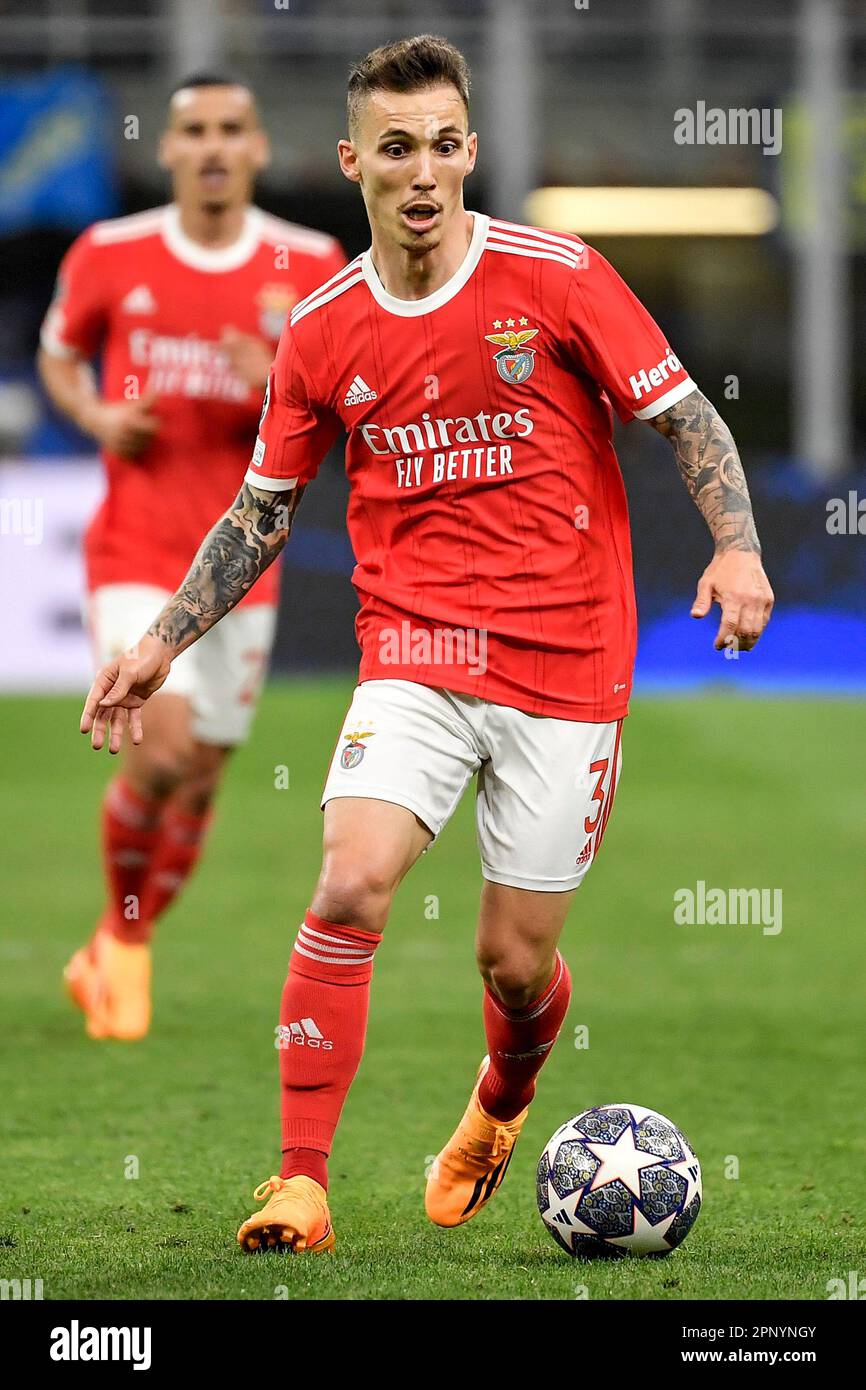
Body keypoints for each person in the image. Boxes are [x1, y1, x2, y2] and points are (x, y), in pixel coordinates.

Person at [80, 35, 773, 1251]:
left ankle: (501, 1101)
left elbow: (682, 416)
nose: (422, 171)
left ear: (468, 152)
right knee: (347, 882)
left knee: (513, 963)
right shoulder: (324, 329)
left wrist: (736, 546)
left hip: (569, 661)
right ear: (352, 160)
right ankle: (300, 1179)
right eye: (395, 148)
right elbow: (261, 511)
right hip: (413, 648)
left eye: (444, 144)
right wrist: (160, 639)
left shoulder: (556, 277)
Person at [41, 74, 345, 1040]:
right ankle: (128, 954)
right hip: (136, 547)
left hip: (244, 563)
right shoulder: (109, 252)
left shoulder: (311, 262)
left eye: (232, 130)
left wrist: (284, 387)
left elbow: (353, 413)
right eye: (194, 132)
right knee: (162, 749)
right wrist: (93, 412)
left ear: (259, 148)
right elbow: (58, 353)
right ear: (166, 150)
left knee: (204, 771)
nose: (213, 147)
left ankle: (111, 941)